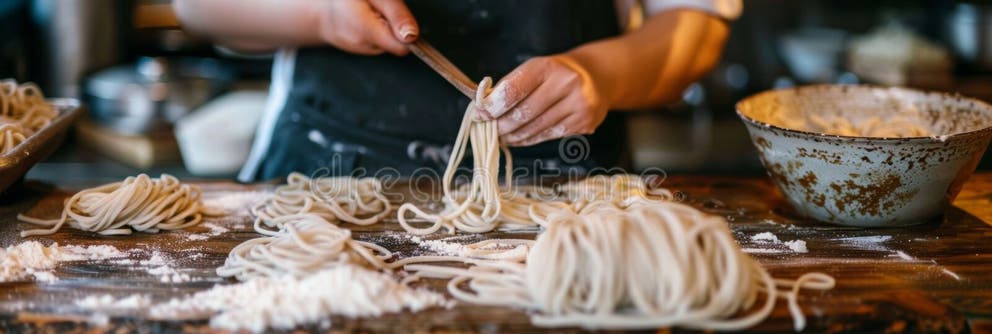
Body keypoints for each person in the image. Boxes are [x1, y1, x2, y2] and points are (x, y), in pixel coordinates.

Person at [173, 0, 740, 182]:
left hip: (567, 201)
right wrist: (320, 14)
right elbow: (195, 6)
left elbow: (693, 26)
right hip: (319, 179)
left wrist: (601, 73)